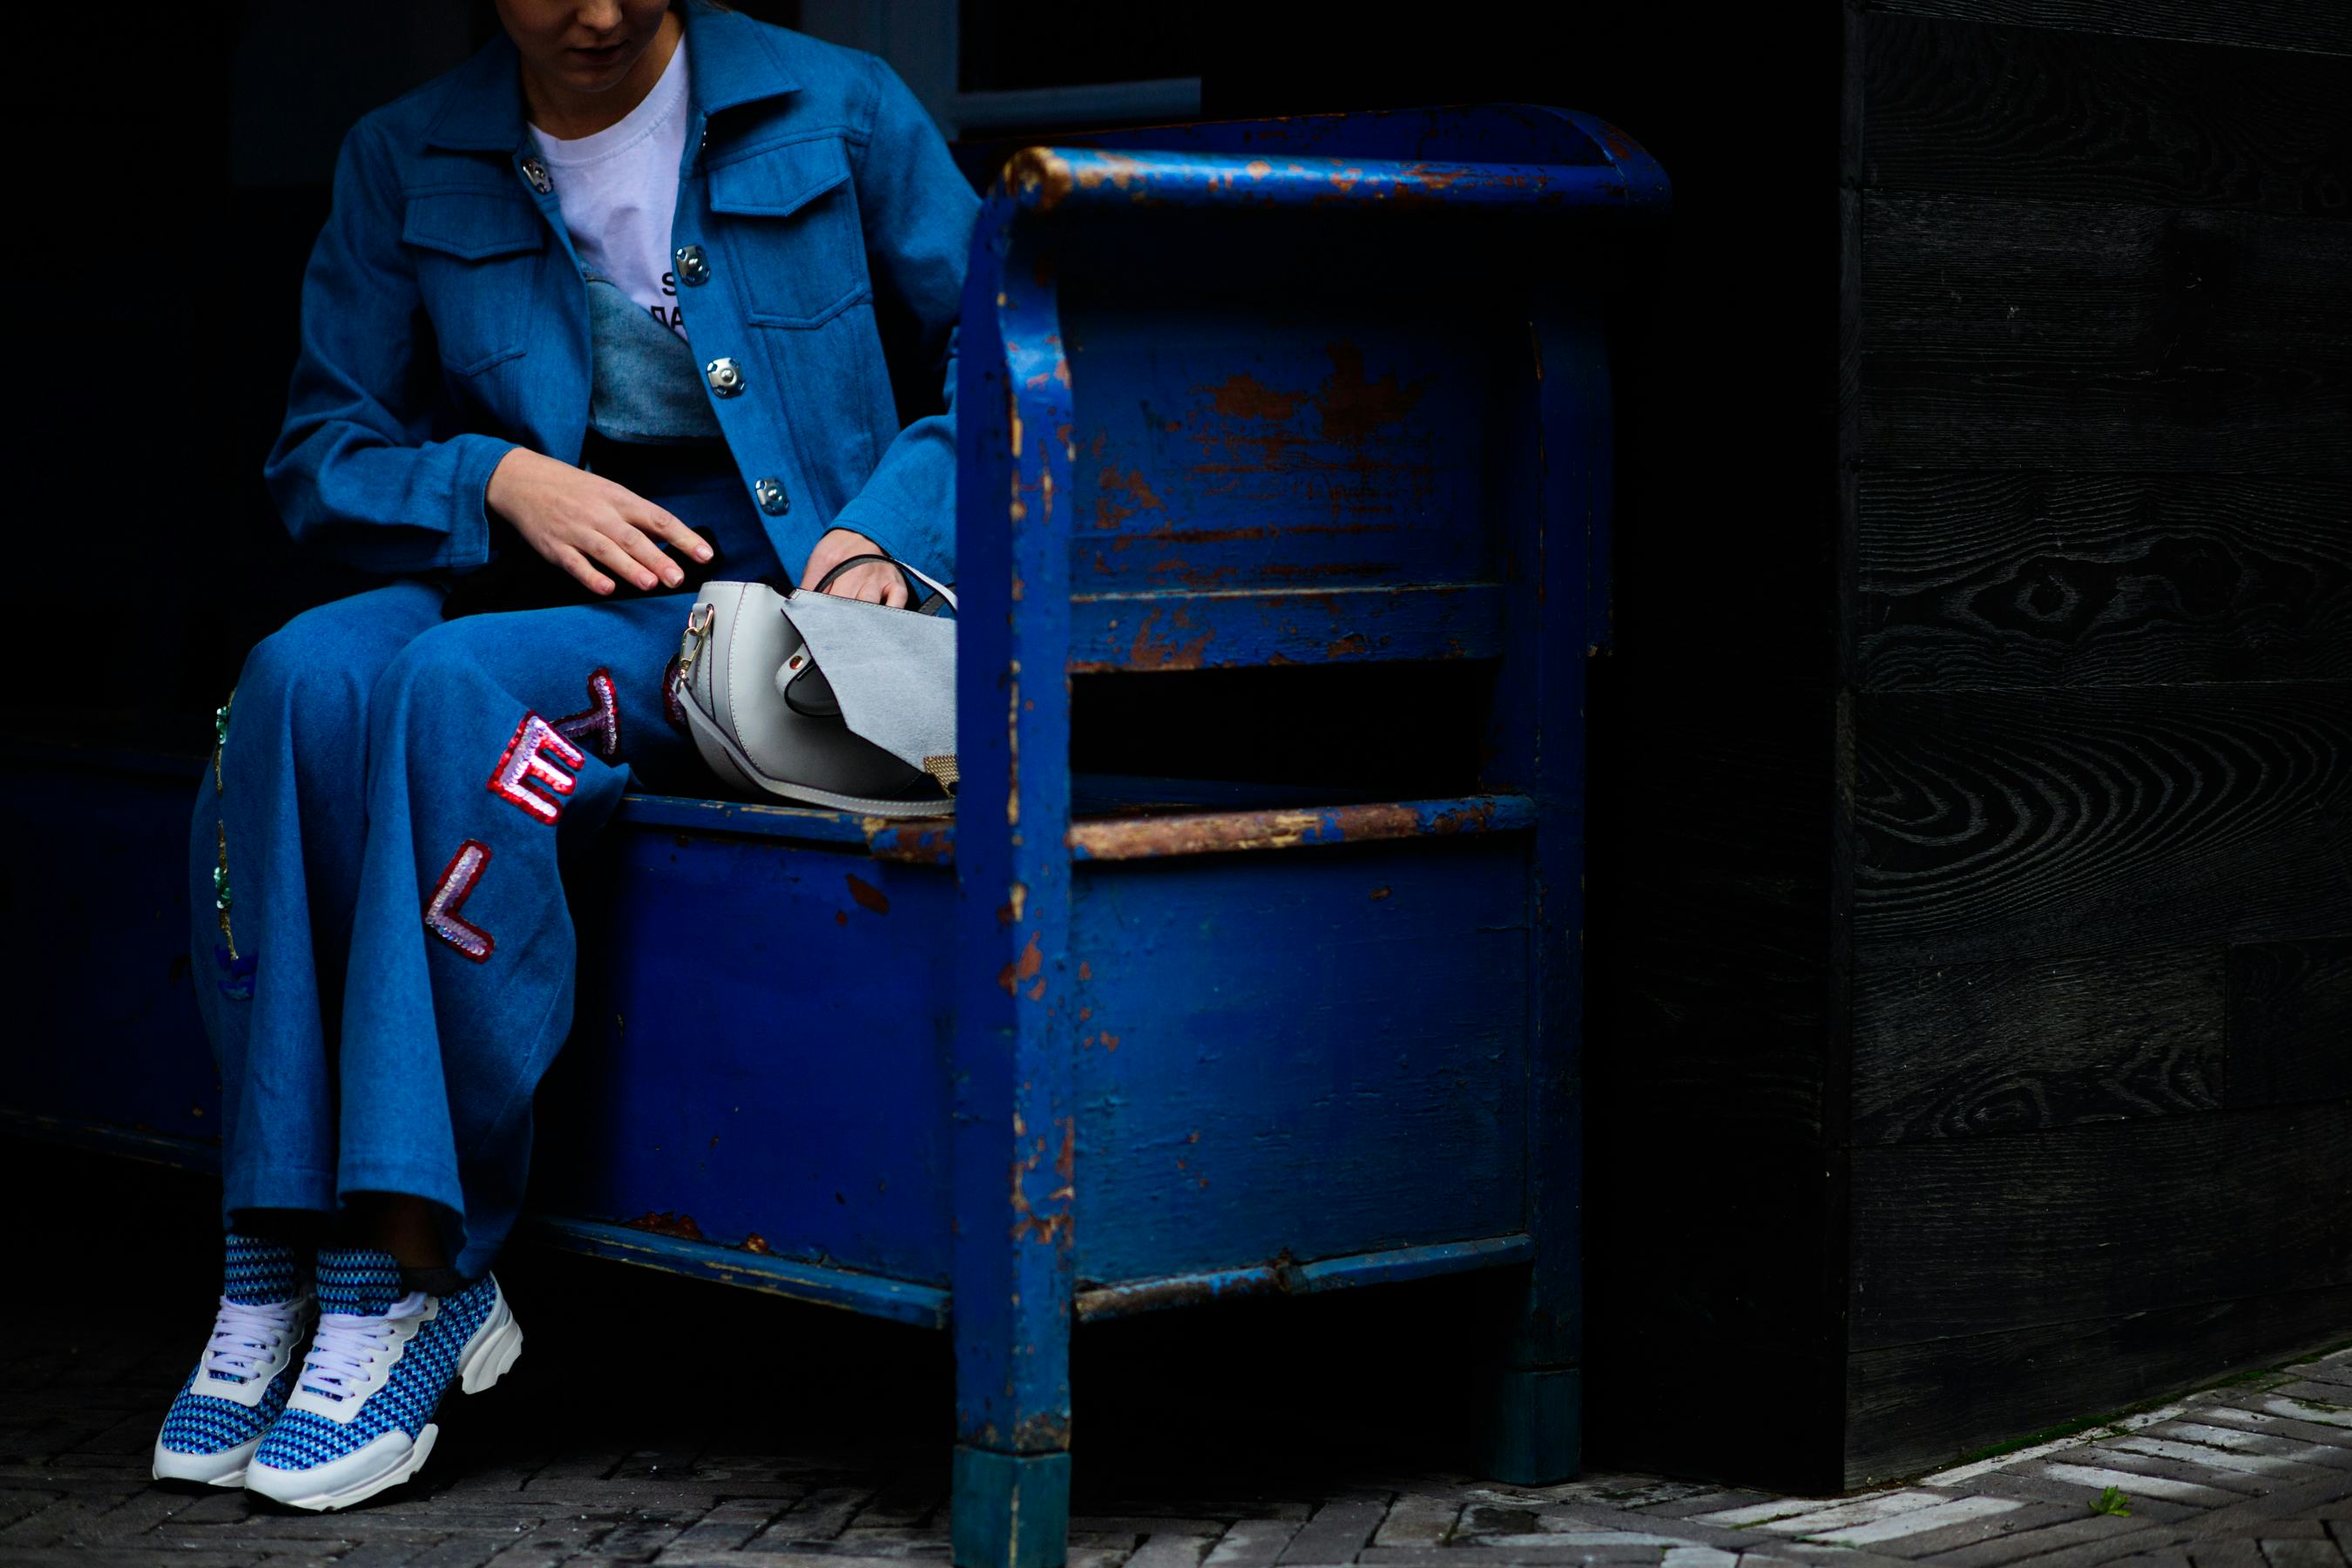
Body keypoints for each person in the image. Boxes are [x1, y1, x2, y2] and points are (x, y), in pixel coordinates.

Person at [151, 0, 977, 1510]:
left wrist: (886, 537)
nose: (594, 12)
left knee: (456, 685)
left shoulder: (837, 108)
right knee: (293, 680)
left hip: (758, 617)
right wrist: (500, 478)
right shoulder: (403, 155)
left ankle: (418, 1253)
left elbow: (1005, 342)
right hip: (518, 568)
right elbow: (319, 450)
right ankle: (277, 1240)